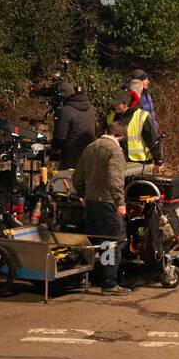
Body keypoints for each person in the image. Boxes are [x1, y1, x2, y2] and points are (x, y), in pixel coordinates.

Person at [72, 118, 130, 295]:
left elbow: (77, 177)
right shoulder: (115, 151)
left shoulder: (90, 147)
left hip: (91, 202)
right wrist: (120, 202)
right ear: (120, 136)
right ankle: (109, 283)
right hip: (107, 202)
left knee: (94, 241)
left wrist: (82, 195)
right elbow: (115, 180)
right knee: (113, 242)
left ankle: (83, 276)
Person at [106, 96, 163, 174]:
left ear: (125, 104)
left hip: (141, 162)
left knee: (141, 185)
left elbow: (153, 139)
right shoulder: (111, 116)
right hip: (119, 160)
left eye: (116, 104)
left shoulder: (141, 115)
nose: (113, 105)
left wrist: (158, 160)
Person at [51, 81, 96, 170]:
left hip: (71, 155)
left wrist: (54, 149)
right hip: (89, 151)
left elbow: (60, 136)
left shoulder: (65, 111)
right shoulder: (90, 107)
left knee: (67, 181)